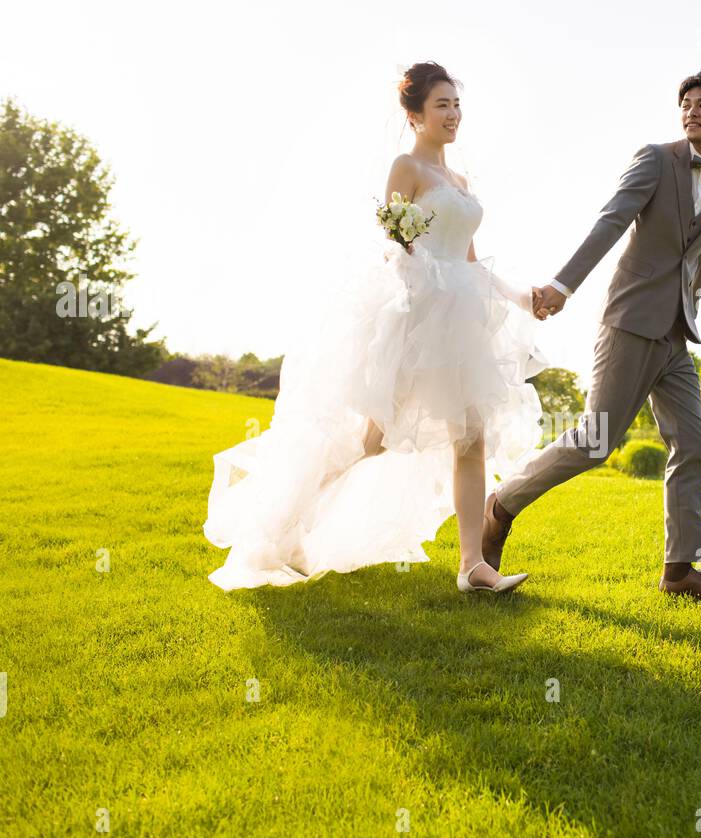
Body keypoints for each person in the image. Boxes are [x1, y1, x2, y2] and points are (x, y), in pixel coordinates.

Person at [204, 62, 547, 594]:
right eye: (442, 105)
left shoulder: (460, 182)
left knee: (470, 437)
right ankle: (280, 524)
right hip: (419, 324)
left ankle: (472, 566)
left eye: (457, 104)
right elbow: (395, 252)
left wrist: (522, 297)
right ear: (415, 115)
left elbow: (471, 261)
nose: (453, 114)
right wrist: (418, 291)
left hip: (463, 327)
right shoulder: (406, 168)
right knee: (373, 441)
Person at [483, 71, 701, 602]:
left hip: (675, 333)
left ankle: (680, 570)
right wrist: (562, 286)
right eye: (686, 104)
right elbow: (610, 222)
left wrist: (691, 306)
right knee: (596, 441)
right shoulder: (656, 159)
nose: (691, 112)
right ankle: (500, 505)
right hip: (628, 322)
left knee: (693, 443)